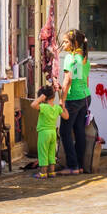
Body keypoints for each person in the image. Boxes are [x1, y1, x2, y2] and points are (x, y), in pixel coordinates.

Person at [57, 29, 91, 175]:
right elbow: (85, 79)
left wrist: (62, 100)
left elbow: (68, 79)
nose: (63, 44)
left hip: (73, 99)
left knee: (65, 132)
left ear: (74, 43)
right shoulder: (84, 57)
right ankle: (80, 165)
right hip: (85, 97)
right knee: (79, 131)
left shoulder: (71, 58)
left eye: (65, 41)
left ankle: (73, 166)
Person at [33, 84, 69, 179]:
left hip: (44, 133)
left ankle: (43, 173)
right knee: (52, 152)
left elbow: (33, 105)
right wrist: (63, 107)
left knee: (43, 152)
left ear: (44, 97)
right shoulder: (57, 108)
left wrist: (40, 98)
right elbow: (66, 116)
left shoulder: (43, 107)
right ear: (53, 96)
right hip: (53, 133)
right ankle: (52, 172)